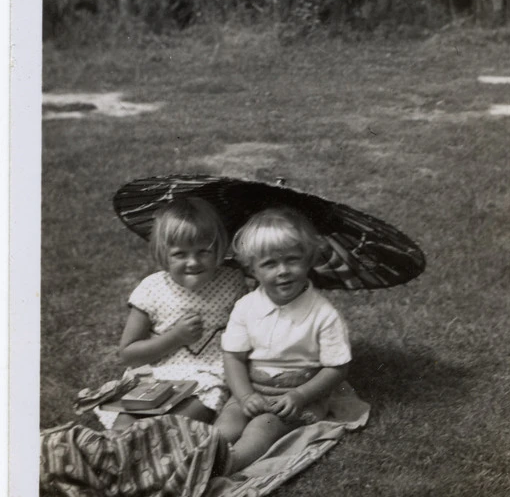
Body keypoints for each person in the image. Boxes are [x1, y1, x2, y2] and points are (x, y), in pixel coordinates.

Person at [214, 207, 351, 474]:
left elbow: (337, 368)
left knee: (262, 426)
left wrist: (300, 395)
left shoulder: (323, 314)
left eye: (292, 260)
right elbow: (233, 357)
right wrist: (244, 395)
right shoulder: (245, 307)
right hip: (253, 386)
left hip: (299, 393)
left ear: (309, 259)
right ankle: (205, 450)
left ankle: (232, 462)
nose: (283, 271)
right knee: (229, 421)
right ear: (252, 269)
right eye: (269, 264)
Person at [117, 196, 248, 427]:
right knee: (125, 423)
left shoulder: (232, 282)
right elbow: (128, 354)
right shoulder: (152, 289)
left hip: (206, 377)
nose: (193, 262)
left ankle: (153, 448)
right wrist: (175, 337)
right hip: (156, 375)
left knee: (173, 423)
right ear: (163, 253)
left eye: (203, 251)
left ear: (218, 248)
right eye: (180, 254)